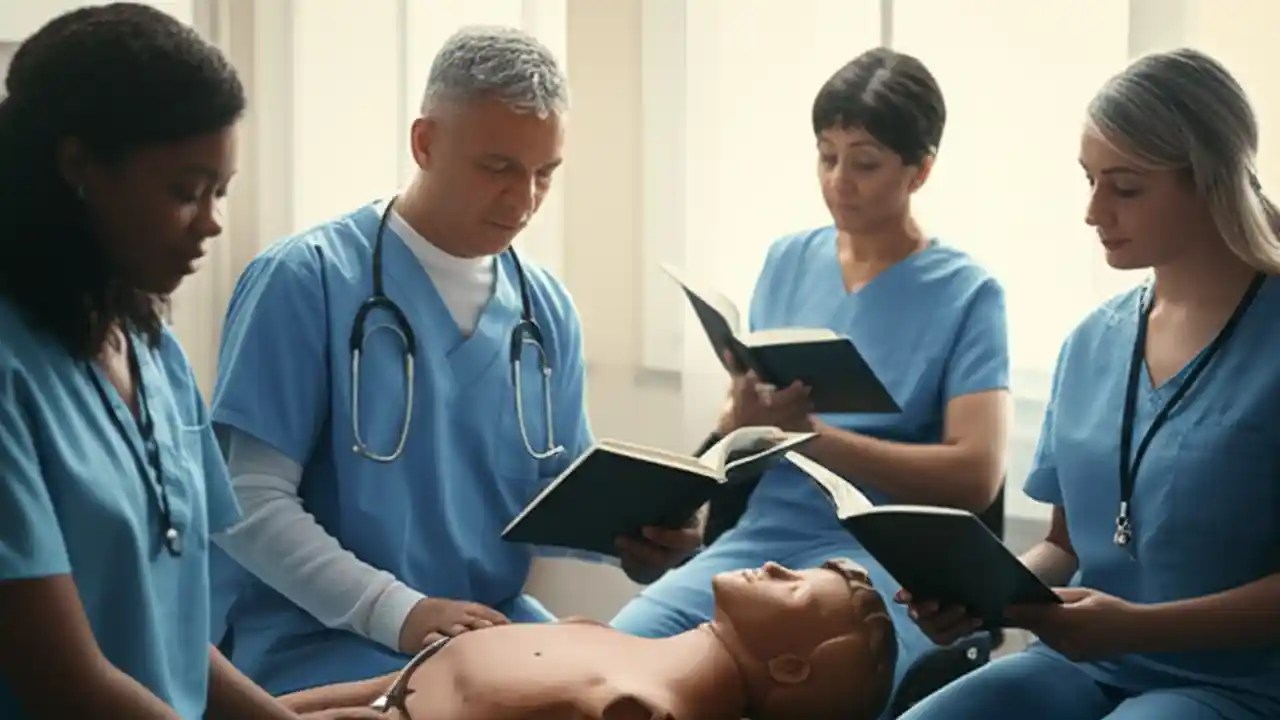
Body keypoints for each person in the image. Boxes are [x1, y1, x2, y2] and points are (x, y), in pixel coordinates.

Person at [208, 25, 701, 696]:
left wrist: (638, 543)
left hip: (481, 627)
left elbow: (556, 495)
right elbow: (247, 503)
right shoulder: (306, 279)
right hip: (316, 637)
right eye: (498, 168)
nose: (523, 200)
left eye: (544, 175)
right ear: (425, 142)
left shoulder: (543, 307)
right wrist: (401, 613)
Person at [0, 5, 380, 719]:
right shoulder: (12, 371)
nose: (211, 221)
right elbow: (67, 682)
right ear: (78, 166)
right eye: (185, 190)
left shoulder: (156, 352)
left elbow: (174, 641)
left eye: (220, 191)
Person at [609, 47, 1010, 706]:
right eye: (827, 155)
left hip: (883, 564)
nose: (839, 180)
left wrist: (810, 435)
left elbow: (976, 475)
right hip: (764, 542)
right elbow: (751, 428)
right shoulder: (789, 259)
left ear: (922, 169)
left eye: (866, 162)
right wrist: (738, 426)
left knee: (813, 690)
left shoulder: (967, 293)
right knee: (622, 662)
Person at [899, 48, 1280, 720]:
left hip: (1237, 686)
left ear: (1212, 181)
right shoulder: (1091, 343)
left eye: (1125, 187)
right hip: (1081, 666)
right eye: (1089, 180)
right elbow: (1068, 548)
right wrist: (987, 594)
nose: (1093, 211)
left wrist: (1138, 628)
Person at [275, 558, 897, 720]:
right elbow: (380, 690)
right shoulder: (589, 635)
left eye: (793, 590)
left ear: (789, 668)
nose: (775, 568)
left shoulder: (632, 709)